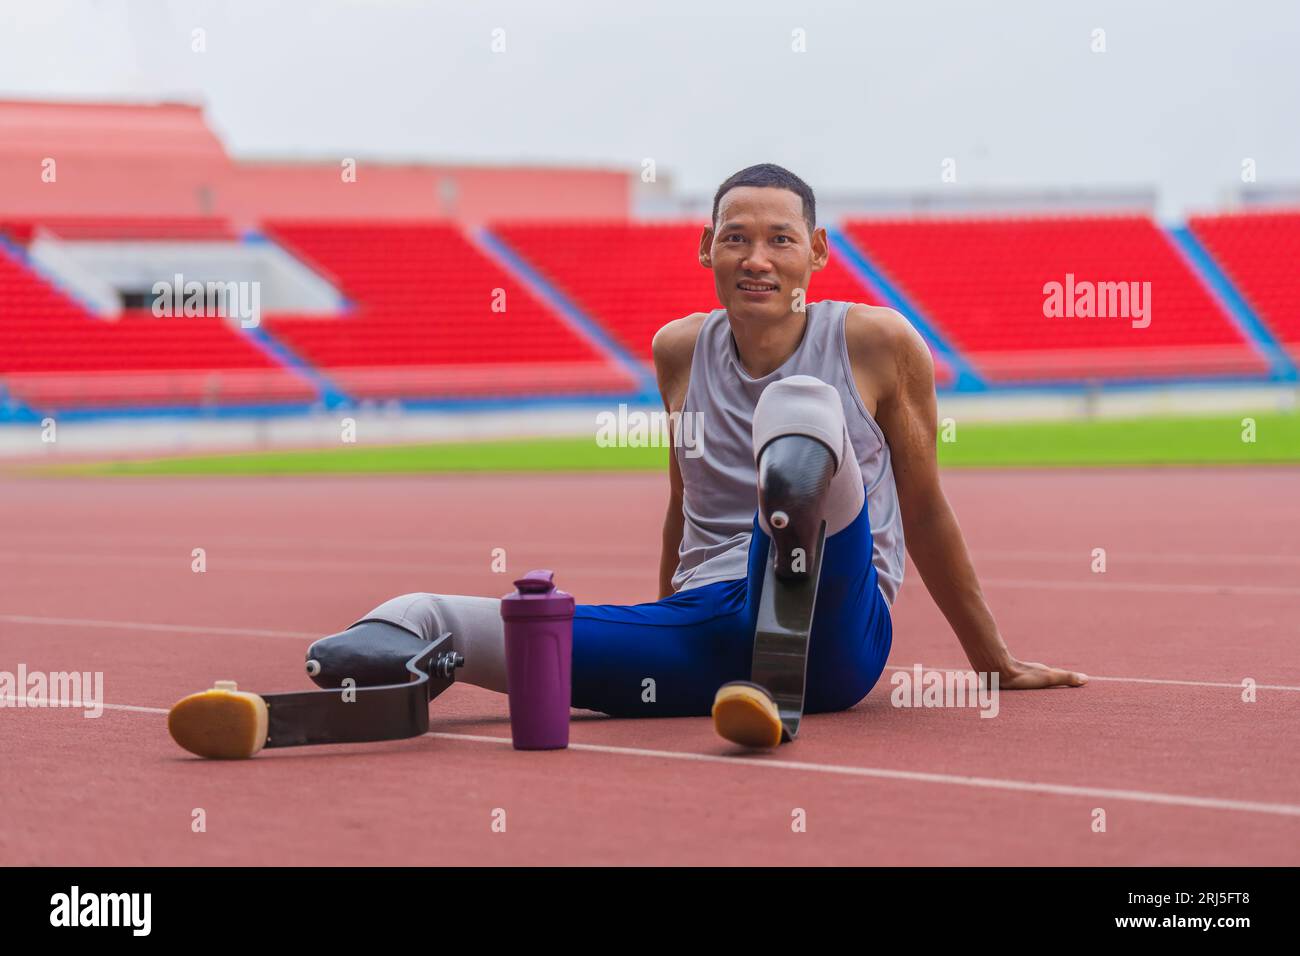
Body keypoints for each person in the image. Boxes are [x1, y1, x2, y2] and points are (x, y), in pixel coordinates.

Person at [169, 163, 1086, 759]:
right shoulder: (678, 350)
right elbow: (683, 503)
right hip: (703, 629)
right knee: (424, 611)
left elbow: (924, 510)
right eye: (735, 236)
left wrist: (992, 661)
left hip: (835, 641)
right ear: (705, 249)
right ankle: (303, 714)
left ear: (818, 253)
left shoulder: (879, 342)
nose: (756, 257)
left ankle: (775, 685)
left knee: (799, 413)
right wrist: (660, 612)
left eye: (778, 238)